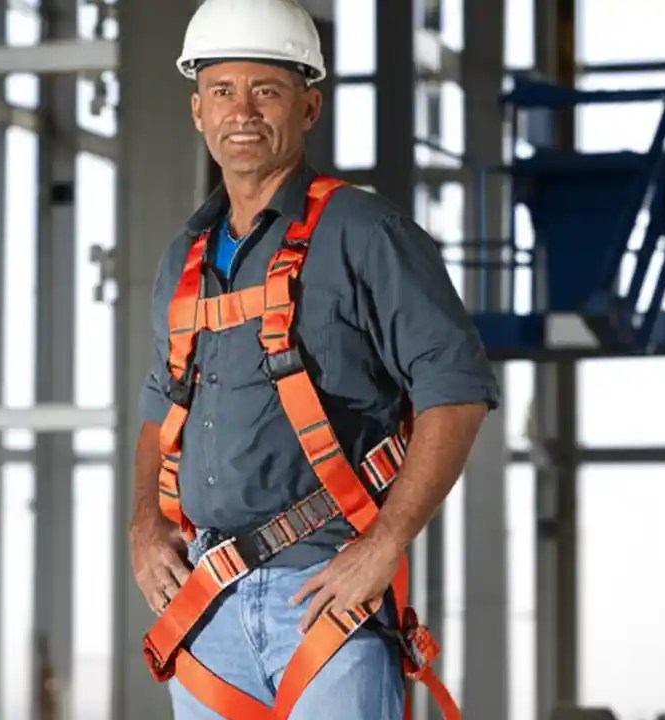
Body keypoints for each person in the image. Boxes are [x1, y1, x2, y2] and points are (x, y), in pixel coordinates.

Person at [127, 0, 501, 717]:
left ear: (309, 107)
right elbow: (159, 411)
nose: (242, 110)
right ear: (196, 111)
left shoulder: (365, 232)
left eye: (266, 90)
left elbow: (455, 391)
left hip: (326, 595)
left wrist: (386, 543)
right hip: (207, 608)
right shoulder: (186, 260)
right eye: (221, 91)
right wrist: (144, 527)